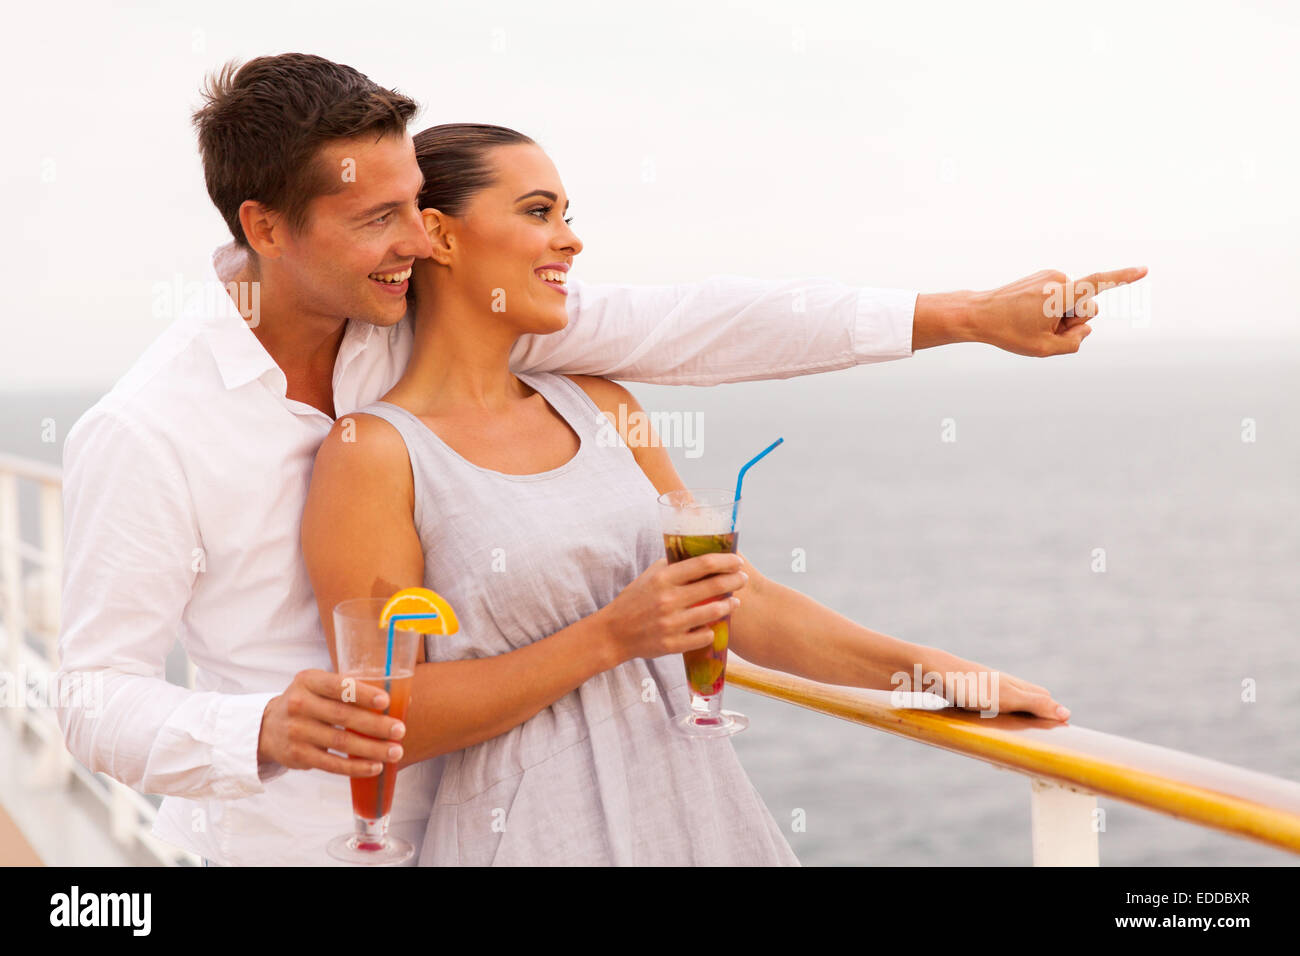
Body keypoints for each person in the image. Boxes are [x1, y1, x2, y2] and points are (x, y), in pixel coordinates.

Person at [54, 53, 1143, 867]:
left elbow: (706, 326)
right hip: (313, 846)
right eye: (380, 217)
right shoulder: (158, 432)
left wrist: (965, 317)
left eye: (419, 210)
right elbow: (94, 695)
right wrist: (252, 724)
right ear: (268, 227)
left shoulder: (460, 329)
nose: (416, 237)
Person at [299, 123, 1078, 866]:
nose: (571, 239)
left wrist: (932, 671)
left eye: (569, 215)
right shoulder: (374, 452)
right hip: (529, 836)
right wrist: (611, 637)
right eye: (539, 213)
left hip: (695, 814)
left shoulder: (601, 406)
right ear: (438, 236)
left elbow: (731, 602)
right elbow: (388, 719)